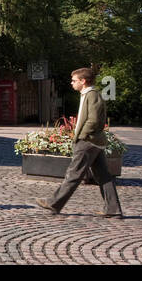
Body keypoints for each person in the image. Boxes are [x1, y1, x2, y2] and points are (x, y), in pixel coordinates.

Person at [36, 67, 124, 218]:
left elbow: (94, 120)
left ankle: (54, 203)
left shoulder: (92, 95)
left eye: (74, 80)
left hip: (88, 141)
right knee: (103, 176)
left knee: (73, 174)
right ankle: (113, 209)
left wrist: (81, 136)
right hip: (93, 141)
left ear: (83, 81)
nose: (71, 83)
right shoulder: (87, 94)